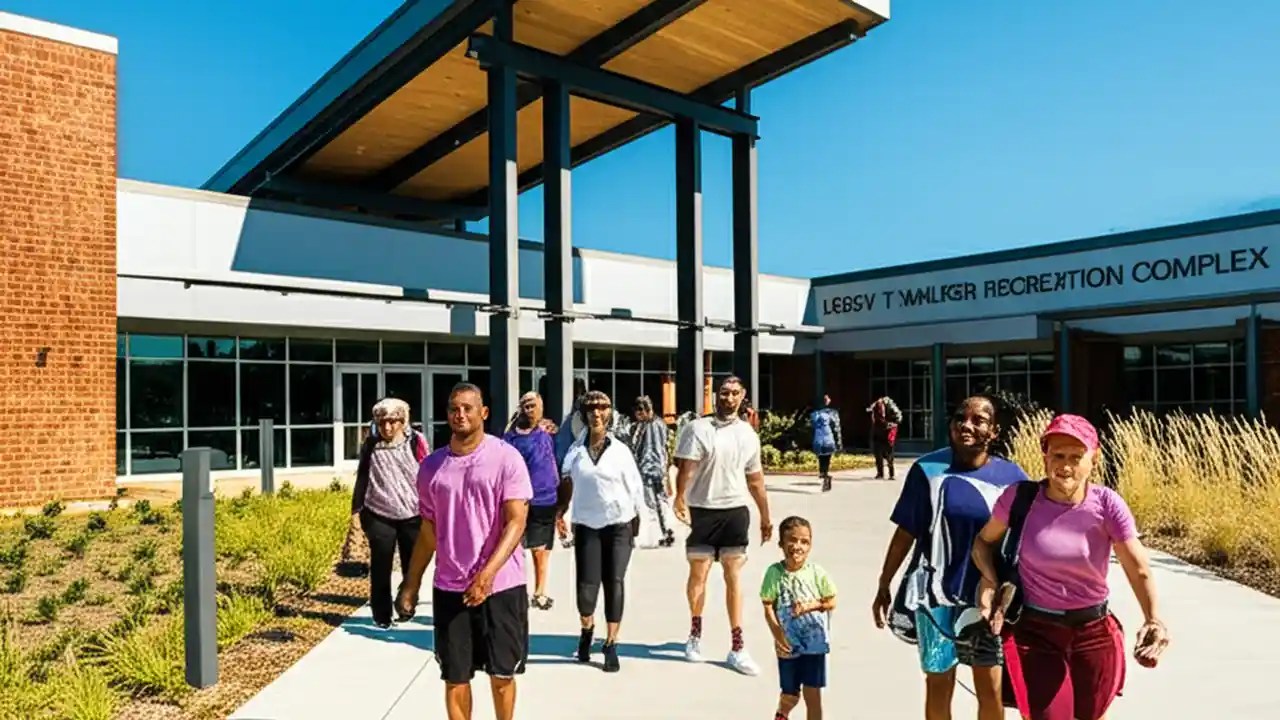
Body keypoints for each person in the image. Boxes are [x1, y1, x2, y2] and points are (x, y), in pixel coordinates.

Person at [972, 414, 1169, 720]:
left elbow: (1138, 567)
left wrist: (1153, 619)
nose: (1065, 466)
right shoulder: (1020, 499)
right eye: (1058, 456)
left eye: (1076, 458)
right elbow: (983, 543)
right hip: (1035, 633)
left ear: (1093, 459)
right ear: (1045, 456)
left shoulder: (1107, 505)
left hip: (1095, 633)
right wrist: (990, 585)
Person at [871, 395, 1030, 720]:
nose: (965, 425)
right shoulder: (927, 470)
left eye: (978, 420)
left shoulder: (1013, 479)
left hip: (985, 600)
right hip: (934, 599)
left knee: (991, 689)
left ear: (995, 431)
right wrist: (884, 583)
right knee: (939, 684)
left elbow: (1026, 539)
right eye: (960, 417)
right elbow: (906, 532)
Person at [396, 383, 533, 720]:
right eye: (454, 408)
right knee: (455, 677)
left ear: (483, 413)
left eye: (468, 408)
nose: (461, 414)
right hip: (450, 587)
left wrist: (487, 575)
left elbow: (516, 522)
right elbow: (429, 531)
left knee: (502, 675)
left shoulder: (506, 458)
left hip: (501, 587)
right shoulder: (431, 467)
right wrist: (410, 583)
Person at [673, 375, 773, 675]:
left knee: (734, 578)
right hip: (703, 510)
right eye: (723, 393)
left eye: (734, 393)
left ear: (743, 397)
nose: (728, 398)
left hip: (735, 512)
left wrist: (766, 516)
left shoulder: (748, 434)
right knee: (699, 576)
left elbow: (755, 480)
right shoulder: (697, 429)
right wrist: (679, 498)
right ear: (716, 395)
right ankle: (694, 634)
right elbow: (685, 469)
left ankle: (737, 646)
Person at [561, 390, 646, 672]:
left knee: (614, 581)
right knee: (586, 588)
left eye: (602, 409)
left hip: (619, 525)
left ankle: (611, 643)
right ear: (584, 414)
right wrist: (560, 514)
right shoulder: (575, 451)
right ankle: (587, 630)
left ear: (609, 413)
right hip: (587, 525)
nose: (596, 414)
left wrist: (639, 522)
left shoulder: (621, 451)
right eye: (591, 409)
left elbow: (636, 488)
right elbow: (566, 483)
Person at [350, 397, 430, 629]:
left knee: (411, 563)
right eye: (383, 422)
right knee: (381, 563)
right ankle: (381, 614)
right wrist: (356, 510)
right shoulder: (371, 444)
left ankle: (406, 603)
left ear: (403, 421)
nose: (387, 427)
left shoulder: (416, 441)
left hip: (412, 513)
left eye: (393, 422)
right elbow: (362, 477)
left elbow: (428, 471)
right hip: (379, 512)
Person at [762, 516, 838, 720]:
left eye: (804, 542)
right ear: (781, 543)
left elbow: (831, 601)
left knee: (813, 695)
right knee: (790, 695)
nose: (798, 546)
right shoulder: (775, 573)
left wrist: (811, 606)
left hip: (814, 644)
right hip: (787, 645)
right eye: (792, 540)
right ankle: (782, 712)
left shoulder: (816, 573)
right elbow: (768, 605)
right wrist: (778, 634)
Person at [502, 391, 566, 611]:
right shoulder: (510, 437)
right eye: (526, 405)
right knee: (514, 545)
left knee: (541, 549)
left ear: (541, 407)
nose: (530, 409)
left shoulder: (549, 431)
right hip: (520, 498)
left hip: (547, 497)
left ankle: (540, 591)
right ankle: (514, 587)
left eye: (534, 405)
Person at [628, 395, 676, 548]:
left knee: (650, 504)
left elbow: (636, 448)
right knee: (662, 501)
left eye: (638, 412)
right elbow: (667, 448)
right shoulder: (661, 424)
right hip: (659, 469)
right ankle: (668, 529)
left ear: (643, 411)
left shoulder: (643, 427)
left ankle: (656, 536)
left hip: (646, 470)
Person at [810, 396, 843, 493]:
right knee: (827, 459)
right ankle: (825, 476)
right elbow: (836, 429)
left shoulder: (814, 415)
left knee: (821, 459)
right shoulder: (832, 414)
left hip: (818, 440)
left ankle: (823, 474)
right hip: (829, 440)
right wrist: (839, 443)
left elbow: (811, 427)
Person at [867, 395, 903, 480]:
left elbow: (897, 417)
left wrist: (891, 424)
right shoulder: (878, 406)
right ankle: (884, 473)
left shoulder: (885, 405)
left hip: (885, 431)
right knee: (881, 453)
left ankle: (887, 473)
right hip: (880, 431)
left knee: (885, 453)